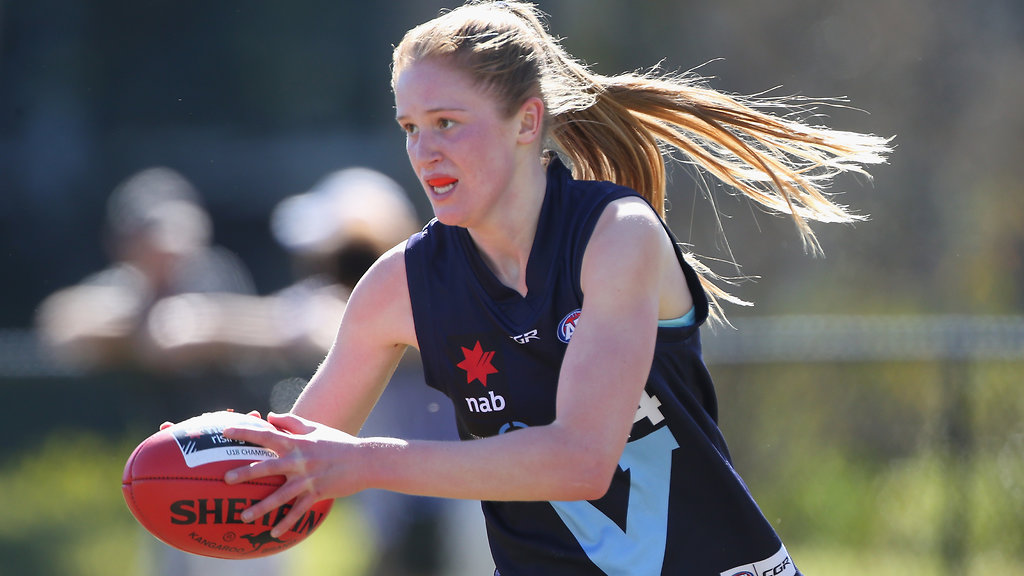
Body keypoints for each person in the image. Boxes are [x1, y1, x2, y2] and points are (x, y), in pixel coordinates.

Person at [219, 2, 892, 575]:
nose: (424, 152)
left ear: (528, 122)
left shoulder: (614, 236)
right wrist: (199, 458)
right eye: (410, 129)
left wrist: (362, 463)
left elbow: (580, 460)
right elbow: (292, 466)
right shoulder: (399, 285)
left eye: (448, 123)